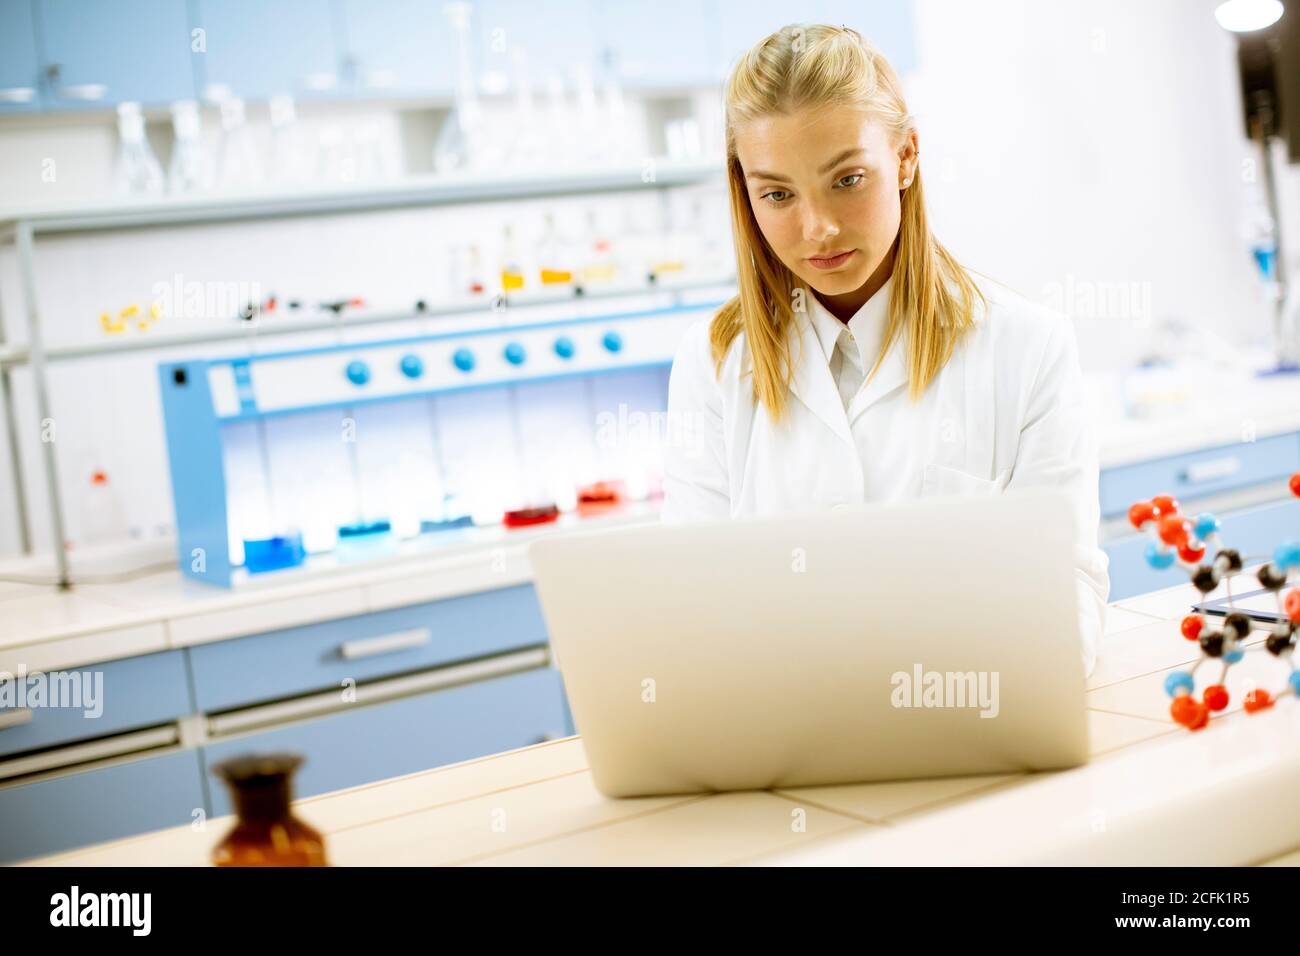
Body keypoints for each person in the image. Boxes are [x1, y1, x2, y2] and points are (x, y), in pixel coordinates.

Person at [661, 23, 1109, 676]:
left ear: (905, 157)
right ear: (745, 191)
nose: (817, 228)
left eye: (847, 179)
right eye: (778, 194)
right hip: (783, 745)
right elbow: (688, 605)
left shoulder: (1027, 346)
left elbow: (1065, 600)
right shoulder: (713, 362)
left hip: (971, 733)